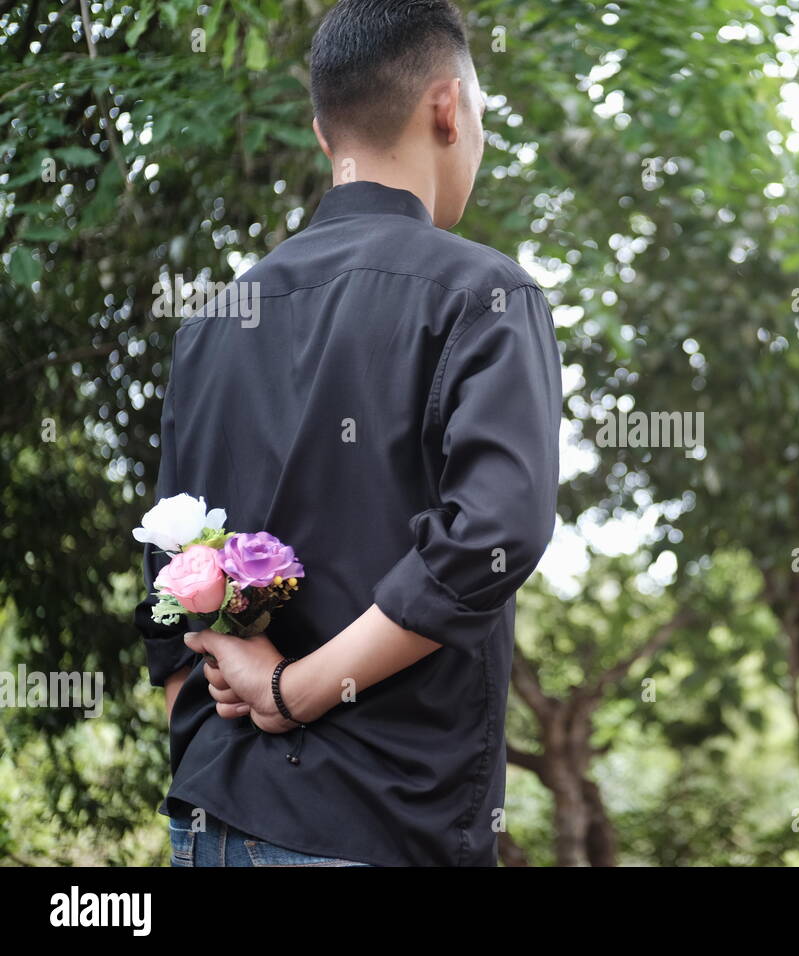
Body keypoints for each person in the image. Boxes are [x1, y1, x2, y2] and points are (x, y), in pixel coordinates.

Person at [134, 0, 562, 866]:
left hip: (207, 822)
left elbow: (166, 584)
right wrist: (289, 693)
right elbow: (496, 532)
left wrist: (232, 736)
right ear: (448, 108)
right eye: (479, 115)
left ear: (326, 132)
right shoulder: (486, 296)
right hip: (375, 827)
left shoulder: (213, 325)